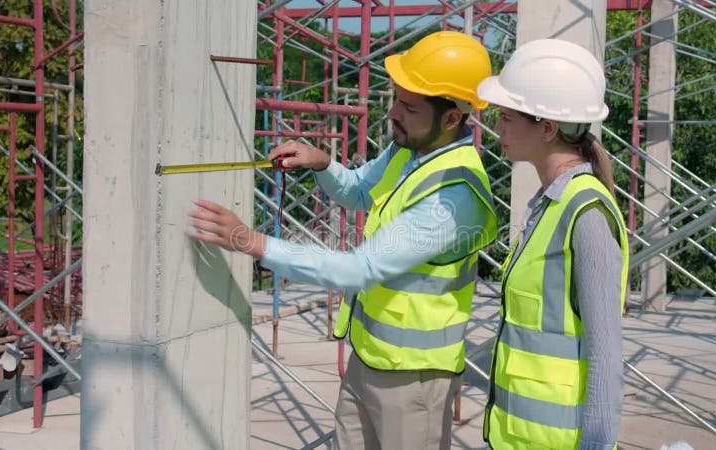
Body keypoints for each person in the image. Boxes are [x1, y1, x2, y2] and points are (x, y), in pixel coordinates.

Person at [188, 30, 497, 450]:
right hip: (369, 360)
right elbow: (357, 190)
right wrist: (322, 163)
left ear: (451, 117)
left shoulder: (454, 198)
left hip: (415, 380)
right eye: (396, 100)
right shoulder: (410, 151)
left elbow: (359, 270)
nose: (394, 114)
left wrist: (253, 242)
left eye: (409, 106)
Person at [475, 39, 629, 450]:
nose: (499, 128)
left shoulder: (586, 215)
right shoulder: (550, 205)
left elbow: (606, 356)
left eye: (507, 117)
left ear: (547, 128)